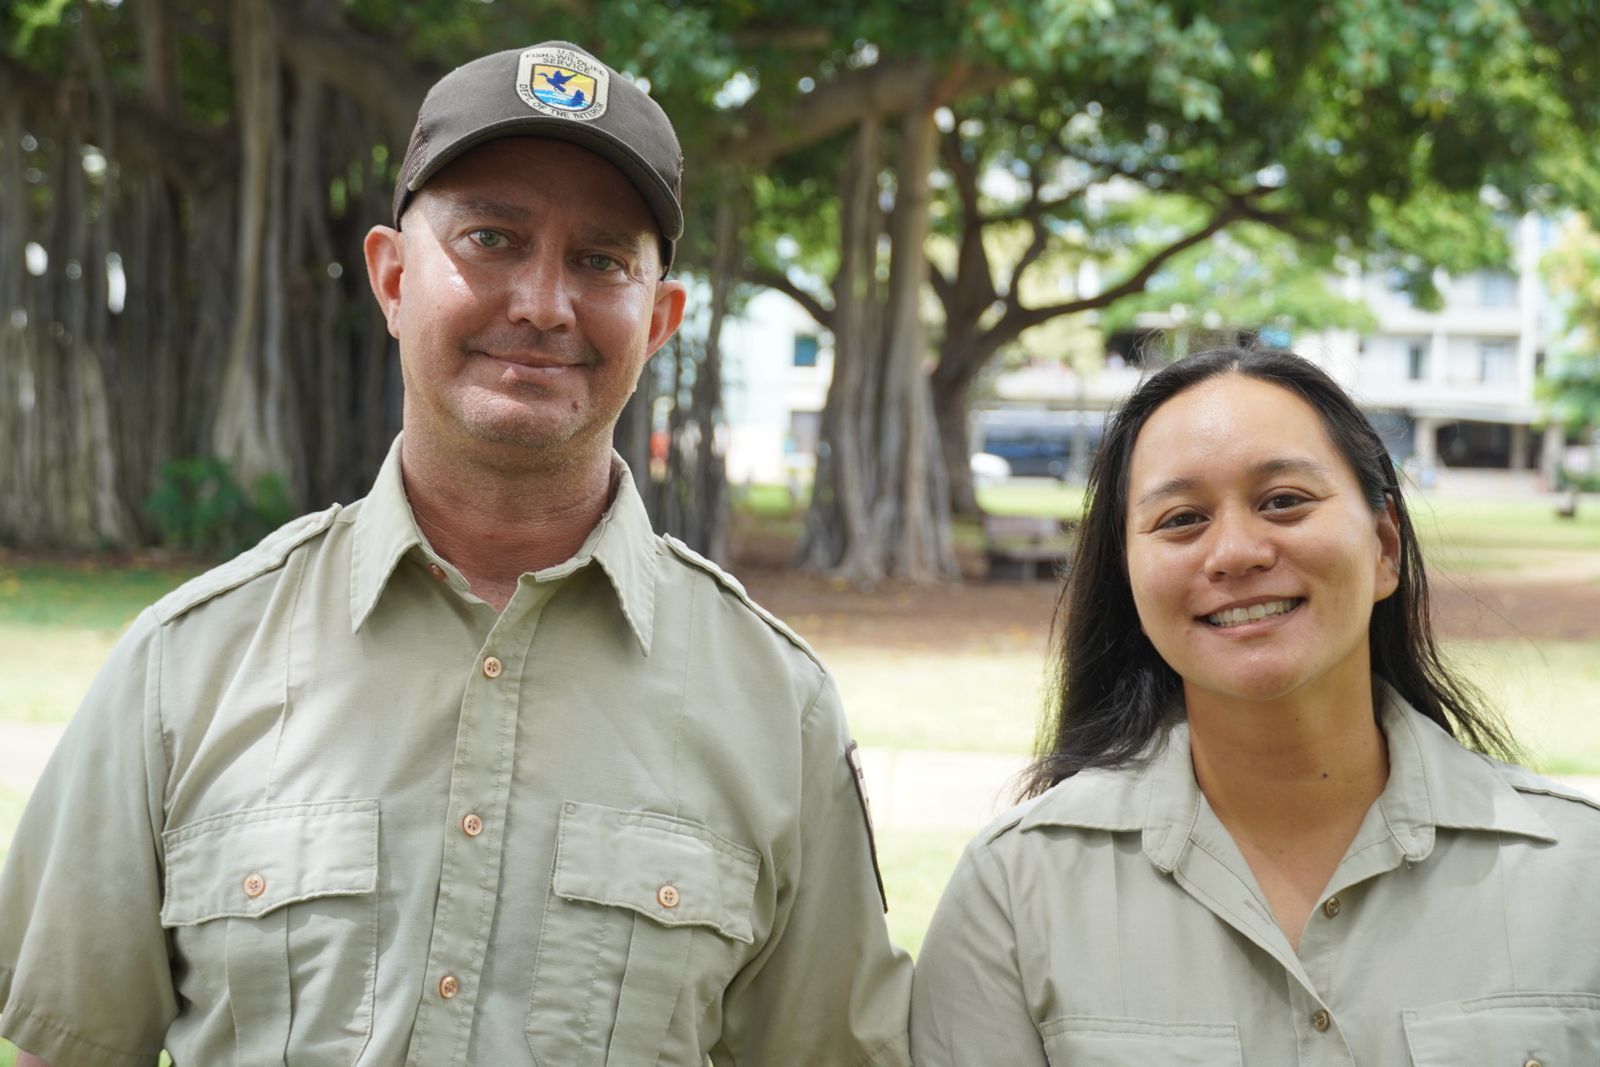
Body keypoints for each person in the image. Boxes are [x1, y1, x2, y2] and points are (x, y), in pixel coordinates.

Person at [0, 41, 912, 1067]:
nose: (542, 303)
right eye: (490, 238)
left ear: (658, 322)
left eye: (599, 260)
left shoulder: (775, 707)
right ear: (391, 277)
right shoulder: (182, 669)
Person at [911, 347, 1600, 1063]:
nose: (1235, 552)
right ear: (1130, 578)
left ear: (1385, 544)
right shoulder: (1018, 893)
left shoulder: (1579, 874)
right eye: (1180, 518)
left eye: (1283, 501)